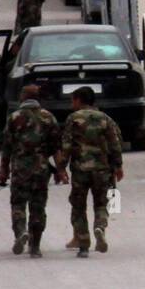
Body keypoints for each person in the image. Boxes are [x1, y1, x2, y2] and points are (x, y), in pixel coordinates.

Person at [56, 87, 123, 258]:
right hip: (102, 170)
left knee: (78, 206)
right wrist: (118, 166)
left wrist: (61, 167)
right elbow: (115, 142)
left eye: (73, 100)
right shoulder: (105, 118)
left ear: (79, 100)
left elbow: (67, 145)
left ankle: (83, 244)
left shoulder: (73, 119)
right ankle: (100, 227)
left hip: (80, 170)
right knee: (101, 203)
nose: (72, 104)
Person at [0, 84, 62, 257]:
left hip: (20, 169)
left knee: (18, 204)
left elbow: (7, 147)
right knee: (38, 207)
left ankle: (21, 232)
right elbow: (56, 147)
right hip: (41, 169)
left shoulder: (14, 117)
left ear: (23, 97)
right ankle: (35, 246)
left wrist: (3, 170)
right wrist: (61, 170)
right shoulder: (48, 118)